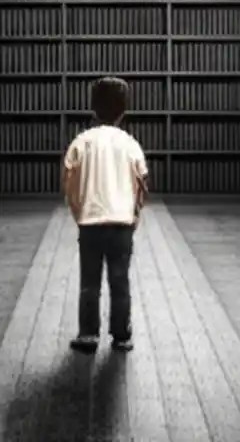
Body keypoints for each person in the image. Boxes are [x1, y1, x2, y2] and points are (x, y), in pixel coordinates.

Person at [62, 76, 148, 353]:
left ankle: (88, 334)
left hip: (89, 223)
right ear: (124, 111)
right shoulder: (130, 143)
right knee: (120, 281)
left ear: (92, 108)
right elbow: (141, 183)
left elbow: (69, 180)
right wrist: (134, 215)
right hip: (122, 223)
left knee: (89, 281)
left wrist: (78, 211)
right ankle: (121, 335)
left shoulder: (81, 141)